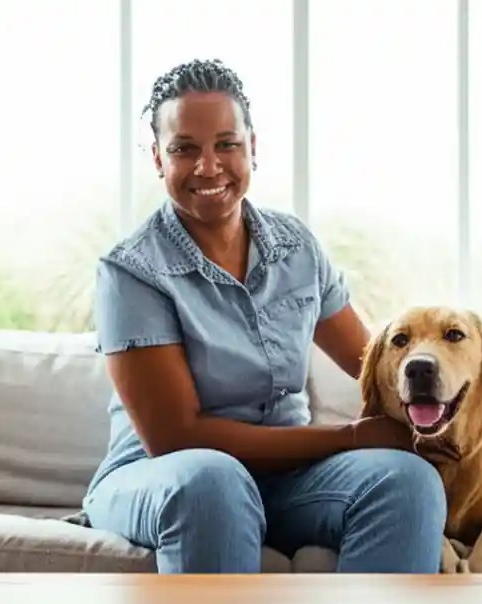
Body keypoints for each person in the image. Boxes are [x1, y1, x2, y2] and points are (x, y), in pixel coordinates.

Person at [82, 58, 445, 574]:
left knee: (406, 482)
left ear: (252, 147)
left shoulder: (296, 248)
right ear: (159, 158)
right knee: (213, 481)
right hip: (165, 475)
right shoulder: (131, 272)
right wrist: (350, 436)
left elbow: (374, 365)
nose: (209, 166)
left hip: (286, 479)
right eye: (185, 148)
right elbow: (176, 439)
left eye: (226, 144)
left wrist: (456, 407)